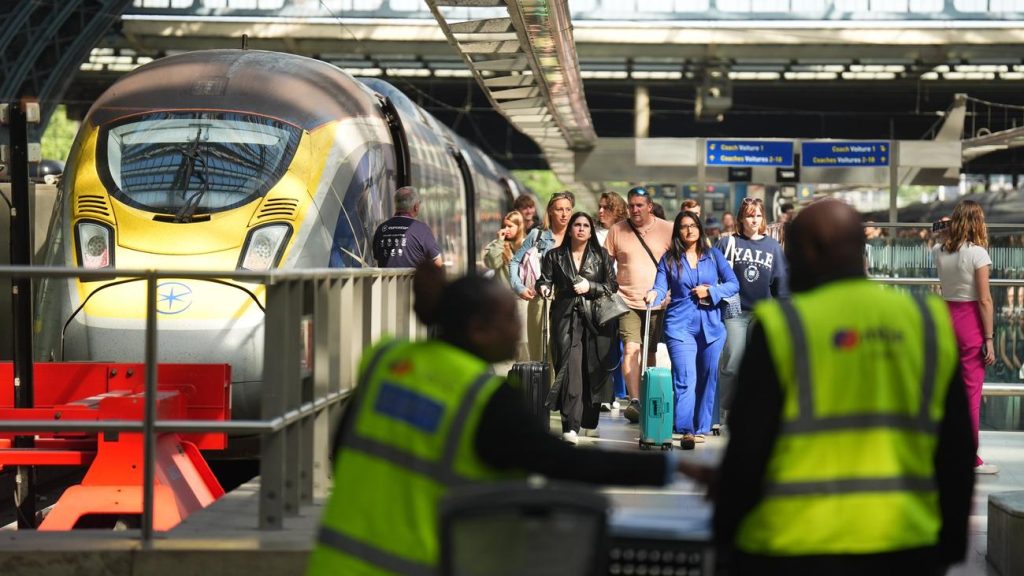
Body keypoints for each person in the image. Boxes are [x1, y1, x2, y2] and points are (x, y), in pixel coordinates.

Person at [306, 263, 701, 576]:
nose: (517, 330)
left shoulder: (388, 362)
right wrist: (671, 467)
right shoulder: (484, 400)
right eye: (508, 318)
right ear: (477, 329)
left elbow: (341, 450)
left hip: (333, 563)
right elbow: (565, 462)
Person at [700, 200, 974, 576]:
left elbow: (749, 449)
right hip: (904, 545)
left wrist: (724, 538)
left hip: (792, 546)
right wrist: (950, 546)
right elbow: (956, 447)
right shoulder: (926, 322)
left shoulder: (783, 327)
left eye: (791, 252)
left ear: (811, 252)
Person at [644, 211, 738, 449]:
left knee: (708, 377)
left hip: (712, 327)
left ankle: (700, 427)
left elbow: (733, 284)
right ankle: (685, 429)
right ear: (678, 231)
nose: (689, 230)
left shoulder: (714, 256)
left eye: (693, 225)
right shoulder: (669, 259)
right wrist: (653, 294)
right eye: (684, 226)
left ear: (699, 228)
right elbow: (659, 285)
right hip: (679, 326)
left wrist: (712, 292)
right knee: (686, 378)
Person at [536, 212, 618, 444]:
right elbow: (544, 279)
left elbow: (612, 285)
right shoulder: (554, 255)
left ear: (591, 231)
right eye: (577, 225)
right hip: (566, 318)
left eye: (585, 226)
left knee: (591, 369)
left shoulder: (601, 255)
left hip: (596, 319)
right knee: (569, 368)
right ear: (570, 229)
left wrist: (590, 286)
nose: (581, 229)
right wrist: (544, 287)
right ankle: (570, 425)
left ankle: (590, 421)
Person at [933, 200, 998, 475]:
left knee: (947, 392)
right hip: (970, 322)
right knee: (971, 393)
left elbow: (942, 241)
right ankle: (970, 458)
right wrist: (990, 338)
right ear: (977, 223)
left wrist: (944, 232)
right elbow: (983, 299)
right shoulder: (978, 254)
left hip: (946, 319)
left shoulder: (938, 250)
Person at [715, 197, 787, 425]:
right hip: (734, 313)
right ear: (741, 219)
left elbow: (781, 283)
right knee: (733, 362)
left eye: (758, 215)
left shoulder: (773, 247)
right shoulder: (727, 244)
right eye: (749, 215)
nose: (754, 220)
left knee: (759, 366)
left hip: (763, 313)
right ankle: (724, 411)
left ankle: (754, 411)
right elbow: (711, 271)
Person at [604, 187, 674, 422]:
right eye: (631, 205)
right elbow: (605, 264)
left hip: (658, 303)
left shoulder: (667, 229)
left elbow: (678, 262)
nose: (634, 209)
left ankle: (648, 395)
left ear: (649, 206)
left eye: (639, 205)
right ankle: (634, 401)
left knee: (650, 352)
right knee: (631, 348)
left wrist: (671, 291)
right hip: (627, 300)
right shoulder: (617, 230)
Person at [509, 191, 574, 361]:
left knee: (565, 355)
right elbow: (515, 261)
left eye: (568, 209)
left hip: (570, 301)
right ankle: (543, 388)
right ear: (550, 211)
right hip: (541, 300)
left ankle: (561, 388)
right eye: (560, 209)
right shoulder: (537, 235)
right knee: (541, 355)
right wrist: (518, 287)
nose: (564, 214)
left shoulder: (577, 235)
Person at [596, 190, 630, 407]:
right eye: (599, 207)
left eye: (606, 208)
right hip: (602, 296)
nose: (600, 211)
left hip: (625, 295)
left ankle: (620, 390)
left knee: (622, 344)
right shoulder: (595, 234)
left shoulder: (626, 232)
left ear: (616, 210)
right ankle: (606, 391)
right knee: (604, 343)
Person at [371, 186, 442, 268]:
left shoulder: (381, 229)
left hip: (385, 281)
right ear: (416, 207)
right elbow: (438, 263)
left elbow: (377, 258)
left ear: (396, 206)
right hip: (413, 281)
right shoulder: (422, 229)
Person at [482, 210, 526, 285]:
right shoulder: (497, 244)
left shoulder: (527, 244)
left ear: (519, 227)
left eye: (510, 226)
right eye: (504, 226)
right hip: (504, 294)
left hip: (524, 293)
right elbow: (493, 264)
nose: (506, 229)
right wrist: (499, 242)